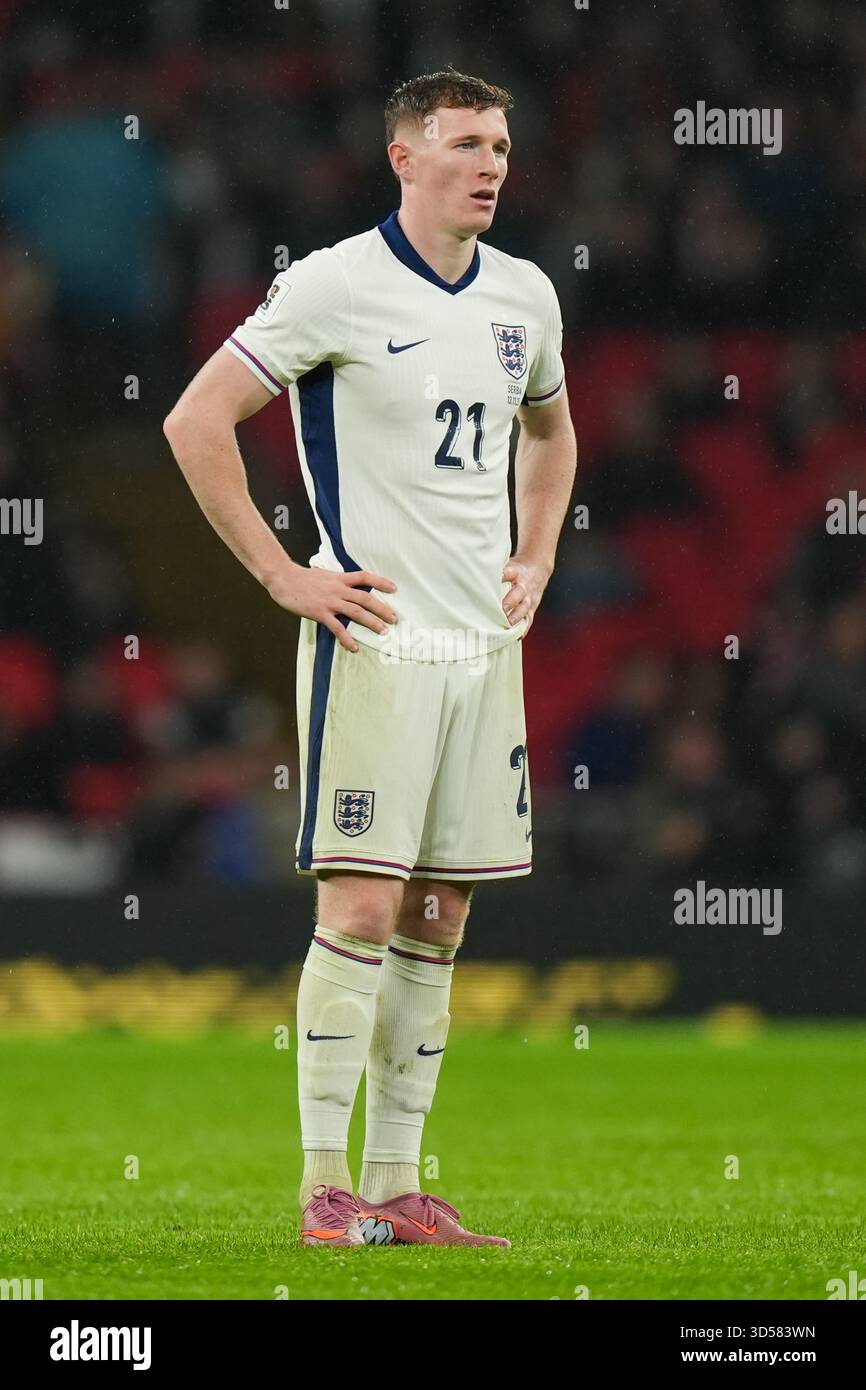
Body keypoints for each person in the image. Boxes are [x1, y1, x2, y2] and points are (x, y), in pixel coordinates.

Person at [163, 67, 577, 1249]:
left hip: (479, 653)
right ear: (404, 157)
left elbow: (552, 432)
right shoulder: (332, 285)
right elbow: (194, 420)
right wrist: (284, 575)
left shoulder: (524, 296)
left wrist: (537, 554)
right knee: (358, 899)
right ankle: (320, 1190)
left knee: (439, 915)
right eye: (463, 143)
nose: (489, 163)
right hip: (376, 641)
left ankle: (397, 1184)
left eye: (499, 143)